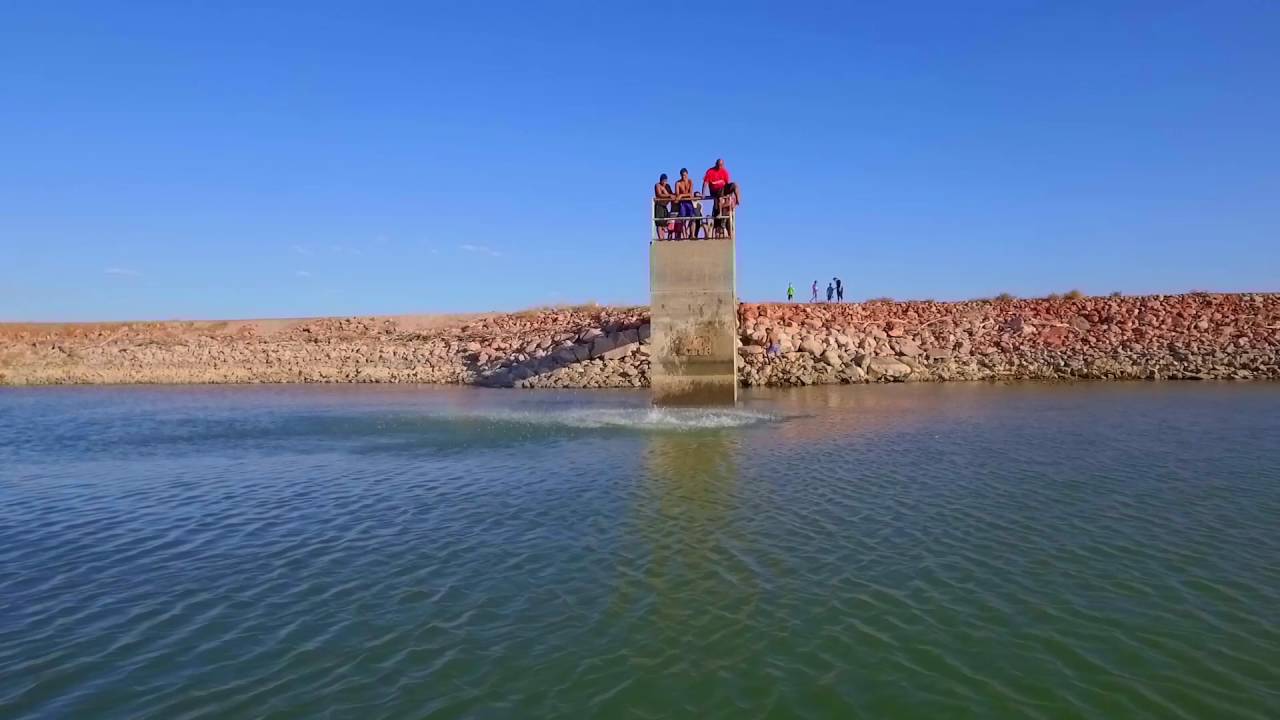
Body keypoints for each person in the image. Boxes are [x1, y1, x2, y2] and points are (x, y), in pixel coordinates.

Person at [675, 168, 697, 239]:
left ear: (687, 174)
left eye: (685, 175)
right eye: (682, 175)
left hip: (689, 202)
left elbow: (690, 194)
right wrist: (680, 196)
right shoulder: (678, 183)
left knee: (693, 218)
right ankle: (684, 236)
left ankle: (692, 235)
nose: (684, 177)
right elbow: (677, 194)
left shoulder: (690, 181)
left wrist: (681, 195)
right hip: (682, 203)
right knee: (683, 219)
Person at [654, 174, 673, 239]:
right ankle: (660, 237)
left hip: (665, 206)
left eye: (665, 180)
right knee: (659, 222)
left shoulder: (667, 186)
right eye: (663, 180)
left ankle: (663, 237)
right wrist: (669, 195)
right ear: (661, 180)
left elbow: (671, 194)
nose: (664, 182)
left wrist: (672, 195)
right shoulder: (658, 185)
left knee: (665, 222)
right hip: (659, 205)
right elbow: (659, 194)